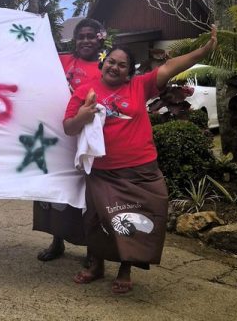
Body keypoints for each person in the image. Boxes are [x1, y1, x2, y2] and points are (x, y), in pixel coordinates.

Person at [64, 26, 217, 294]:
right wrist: (82, 116)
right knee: (97, 221)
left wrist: (204, 50)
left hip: (140, 169)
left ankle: (126, 269)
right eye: (111, 62)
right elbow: (68, 127)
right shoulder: (85, 91)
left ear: (129, 71)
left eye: (122, 65)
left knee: (136, 218)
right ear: (104, 63)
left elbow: (170, 66)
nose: (114, 68)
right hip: (102, 172)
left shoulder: (140, 86)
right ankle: (95, 265)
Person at [34, 18, 105, 262]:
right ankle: (57, 242)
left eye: (90, 35)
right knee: (55, 190)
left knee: (86, 195)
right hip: (55, 138)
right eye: (80, 36)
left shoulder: (106, 68)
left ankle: (92, 249)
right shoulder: (62, 62)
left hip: (84, 141)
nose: (85, 40)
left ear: (100, 38)